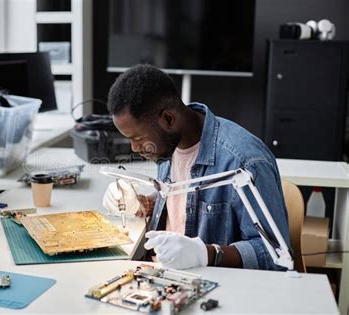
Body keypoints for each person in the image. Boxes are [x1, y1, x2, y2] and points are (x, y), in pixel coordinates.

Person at [102, 64, 291, 271]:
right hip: (163, 275)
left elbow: (276, 257)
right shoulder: (168, 145)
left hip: (214, 286)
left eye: (137, 138)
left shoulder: (244, 162)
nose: (135, 148)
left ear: (168, 119)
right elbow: (182, 204)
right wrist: (142, 204)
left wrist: (204, 253)